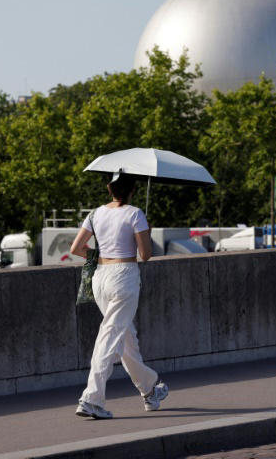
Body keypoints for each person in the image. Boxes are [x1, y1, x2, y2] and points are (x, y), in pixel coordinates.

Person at [70, 172, 168, 419]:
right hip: (124, 276)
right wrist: (146, 233)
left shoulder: (95, 213)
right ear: (132, 190)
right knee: (110, 336)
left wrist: (100, 256)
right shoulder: (135, 213)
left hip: (100, 277)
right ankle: (91, 398)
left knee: (126, 338)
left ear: (109, 188)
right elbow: (145, 255)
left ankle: (149, 391)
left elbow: (76, 248)